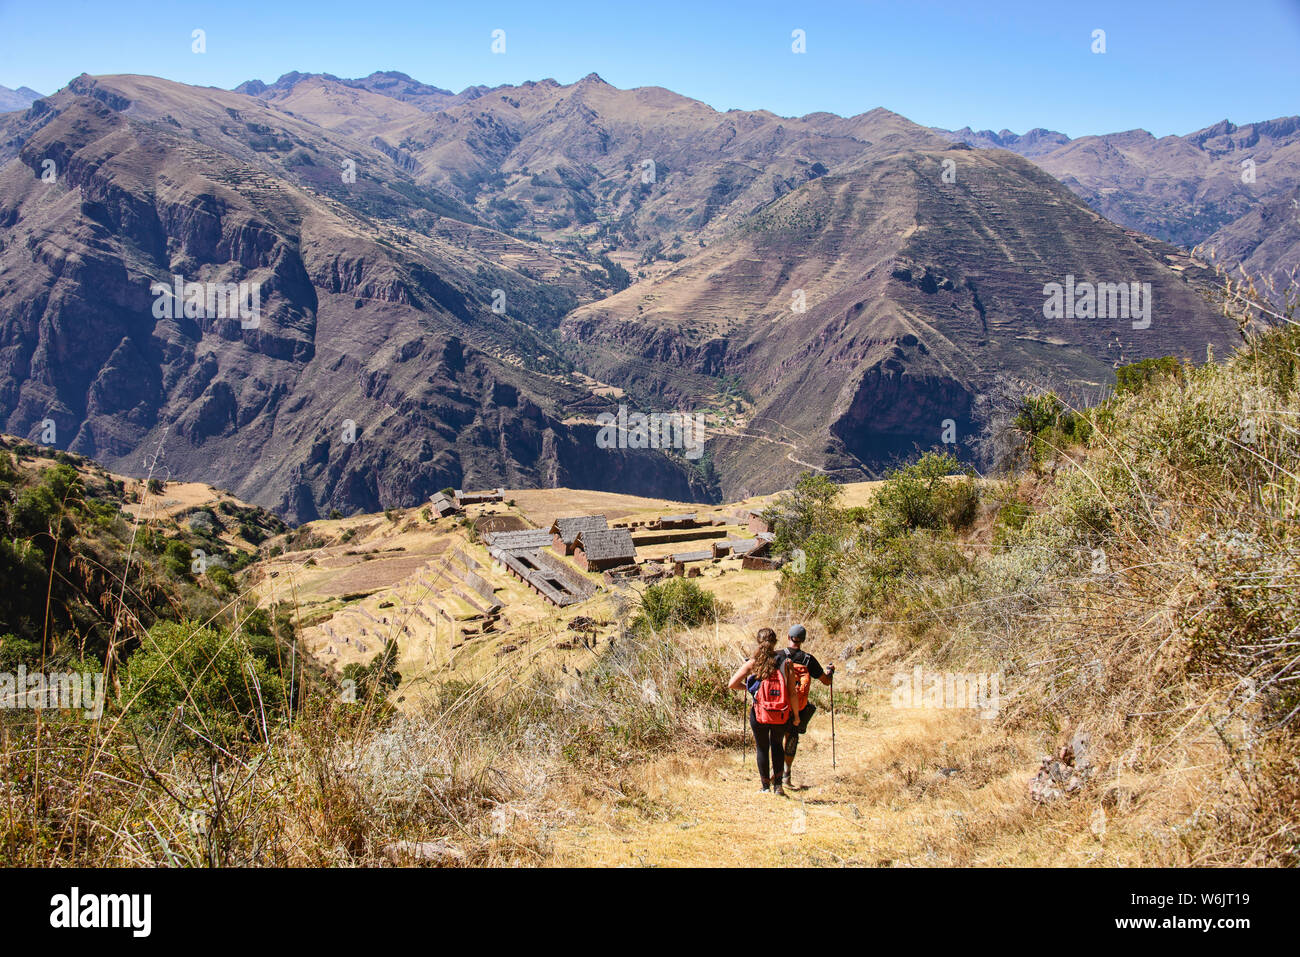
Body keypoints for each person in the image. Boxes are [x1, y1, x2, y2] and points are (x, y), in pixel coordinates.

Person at [728, 627, 797, 795]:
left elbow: (732, 684)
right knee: (777, 745)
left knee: (762, 747)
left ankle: (765, 786)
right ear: (775, 643)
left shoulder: (753, 663)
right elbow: (792, 692)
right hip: (781, 713)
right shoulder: (785, 663)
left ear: (758, 642)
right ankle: (778, 786)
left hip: (760, 713)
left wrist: (750, 690)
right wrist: (795, 716)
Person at [774, 624, 834, 790]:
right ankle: (787, 774)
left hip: (778, 706)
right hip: (798, 709)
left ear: (788, 637)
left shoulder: (778, 655)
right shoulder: (808, 660)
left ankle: (775, 773)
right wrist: (830, 672)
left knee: (776, 739)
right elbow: (826, 681)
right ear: (803, 640)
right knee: (792, 738)